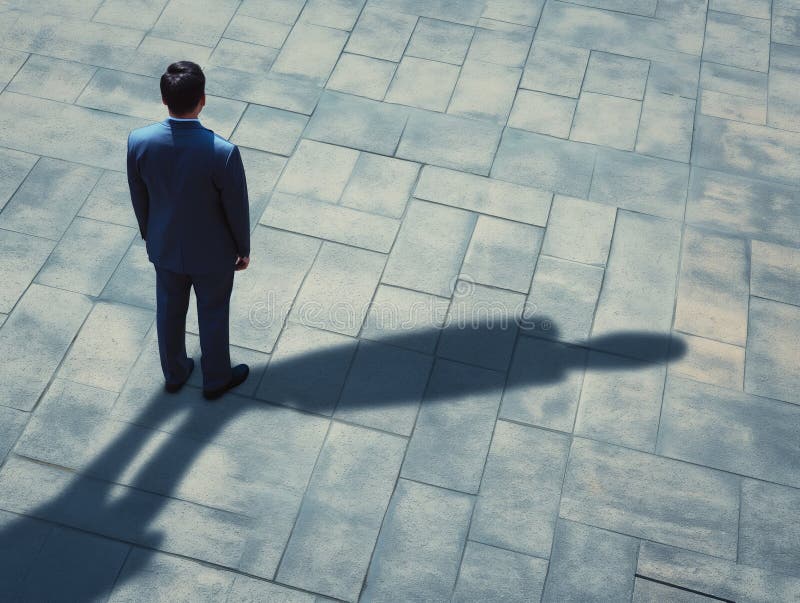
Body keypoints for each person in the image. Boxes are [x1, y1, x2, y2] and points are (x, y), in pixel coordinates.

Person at [127, 61, 249, 400]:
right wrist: (242, 247)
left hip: (165, 245)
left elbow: (139, 193)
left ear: (164, 100)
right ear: (203, 99)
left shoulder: (139, 141)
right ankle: (216, 379)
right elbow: (236, 207)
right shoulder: (222, 152)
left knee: (169, 309)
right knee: (213, 311)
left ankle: (175, 372)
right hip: (213, 253)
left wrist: (151, 233)